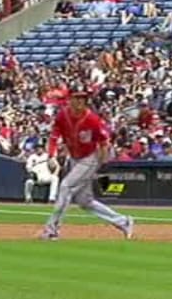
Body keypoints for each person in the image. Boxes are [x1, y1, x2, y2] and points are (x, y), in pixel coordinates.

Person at [40, 88, 134, 240]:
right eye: (76, 98)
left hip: (89, 158)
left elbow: (104, 142)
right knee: (85, 202)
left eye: (82, 98)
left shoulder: (92, 119)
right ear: (69, 99)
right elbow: (54, 135)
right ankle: (123, 221)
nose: (79, 101)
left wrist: (101, 164)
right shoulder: (63, 115)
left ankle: (52, 230)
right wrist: (51, 155)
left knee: (65, 187)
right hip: (74, 158)